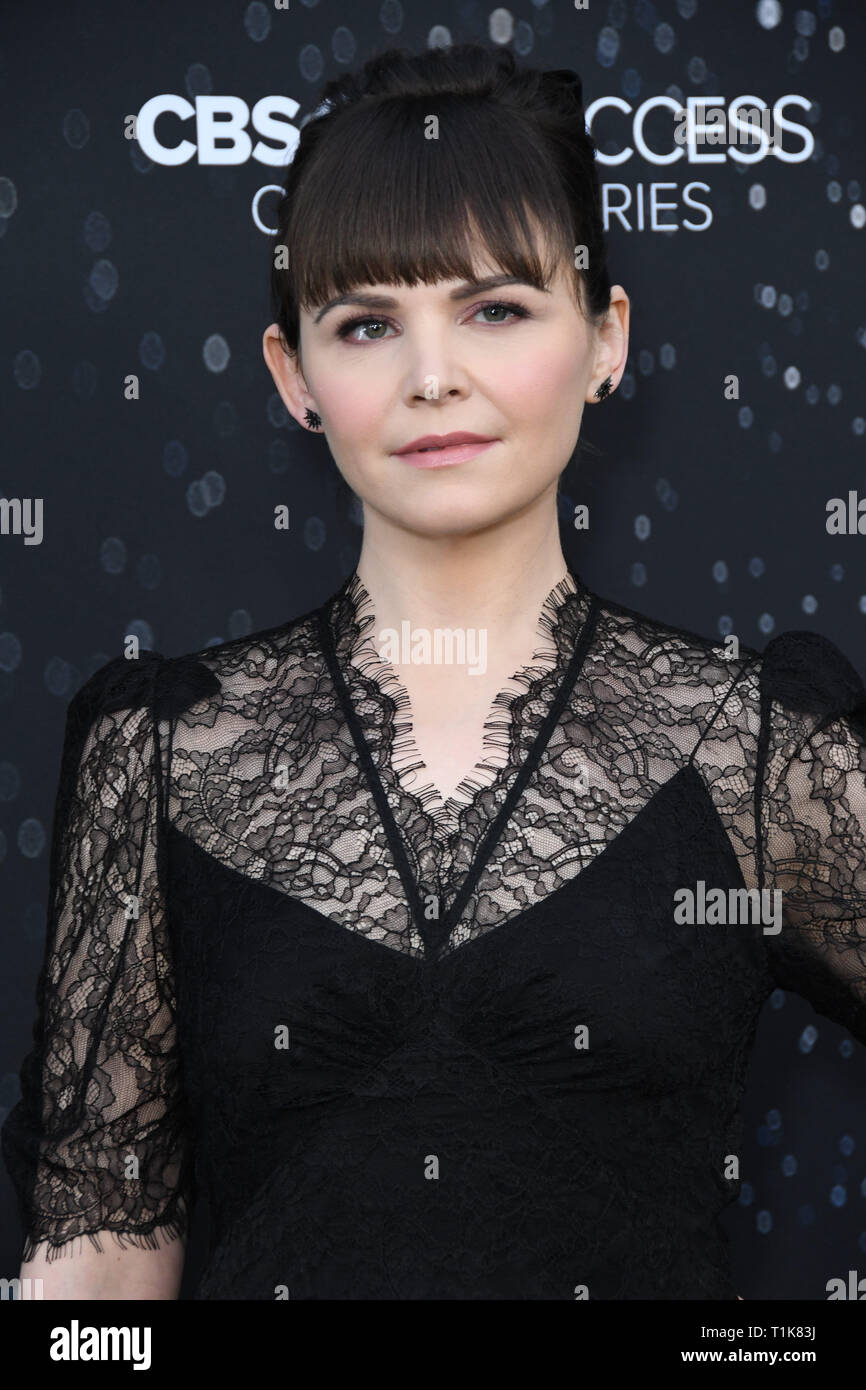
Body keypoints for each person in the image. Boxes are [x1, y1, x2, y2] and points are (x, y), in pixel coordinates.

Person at [3, 41, 865, 1301]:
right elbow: (95, 1261)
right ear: (295, 374)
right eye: (365, 323)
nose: (431, 376)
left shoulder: (753, 747)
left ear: (604, 339)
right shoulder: (162, 753)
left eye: (495, 308)